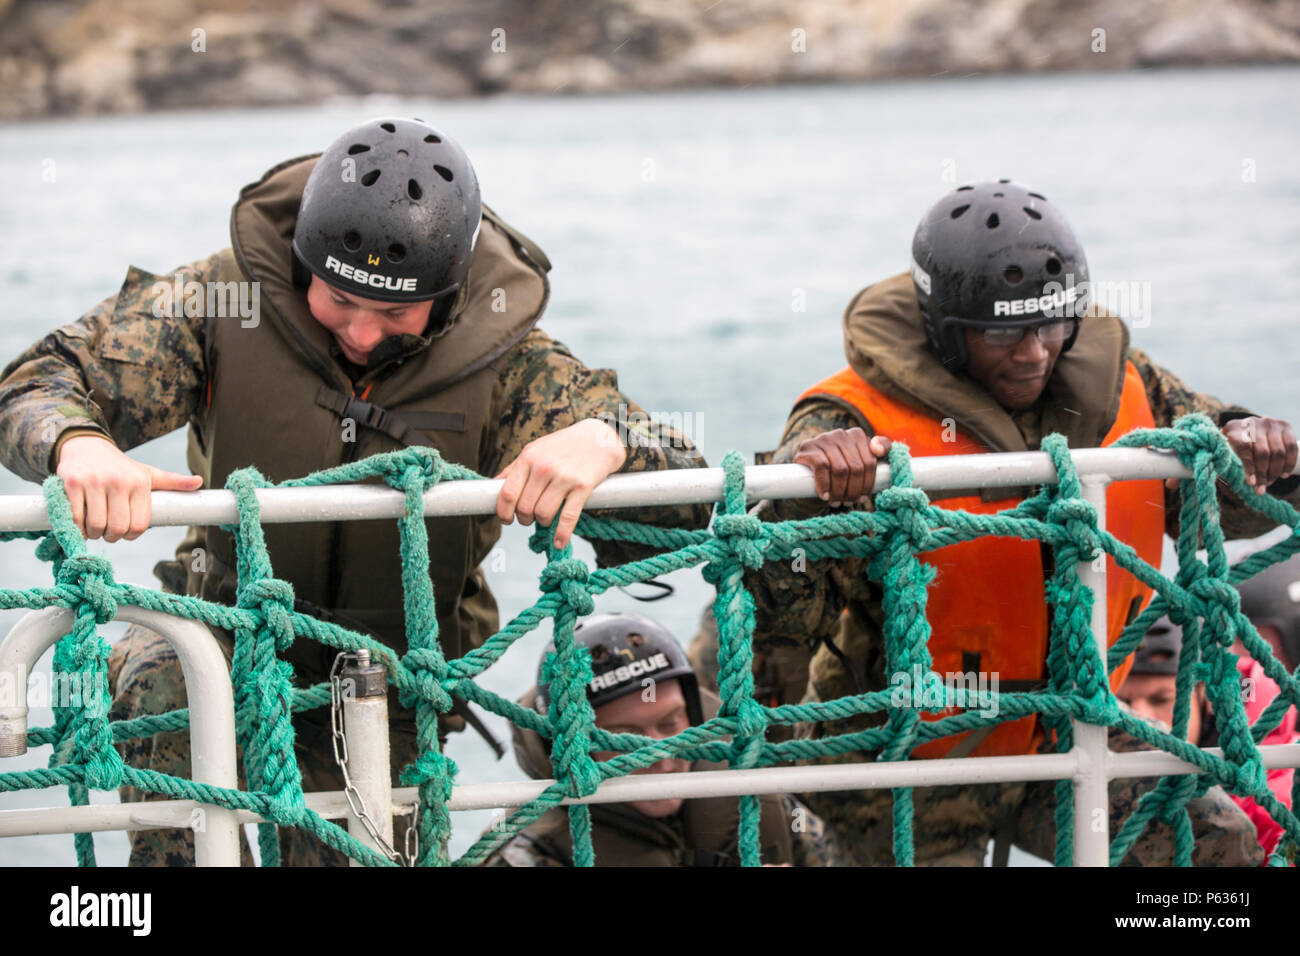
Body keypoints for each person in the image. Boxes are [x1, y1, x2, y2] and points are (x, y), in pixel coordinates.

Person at [0, 118, 711, 866]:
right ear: (304, 261)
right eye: (339, 300)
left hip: (392, 677)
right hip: (224, 631)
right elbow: (37, 380)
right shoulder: (220, 302)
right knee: (159, 683)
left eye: (396, 313)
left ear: (450, 294)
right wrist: (75, 443)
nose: (364, 335)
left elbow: (687, 501)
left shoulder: (512, 361)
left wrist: (609, 442)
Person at [745, 180, 1299, 865]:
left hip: (1072, 726)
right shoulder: (849, 418)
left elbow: (1223, 493)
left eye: (1052, 325)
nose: (1035, 352)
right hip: (904, 757)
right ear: (946, 330)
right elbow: (773, 606)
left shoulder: (1128, 385)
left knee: (1214, 844)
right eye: (1003, 333)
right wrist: (809, 487)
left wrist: (1260, 447)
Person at [481, 612, 841, 866]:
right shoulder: (523, 852)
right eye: (625, 738)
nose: (661, 756)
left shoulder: (750, 792)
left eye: (670, 725)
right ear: (573, 748)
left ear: (695, 713)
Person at [1119, 608, 1298, 859]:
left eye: (1162, 699)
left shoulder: (1283, 801)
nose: (1142, 720)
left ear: (1209, 697)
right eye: (1123, 705)